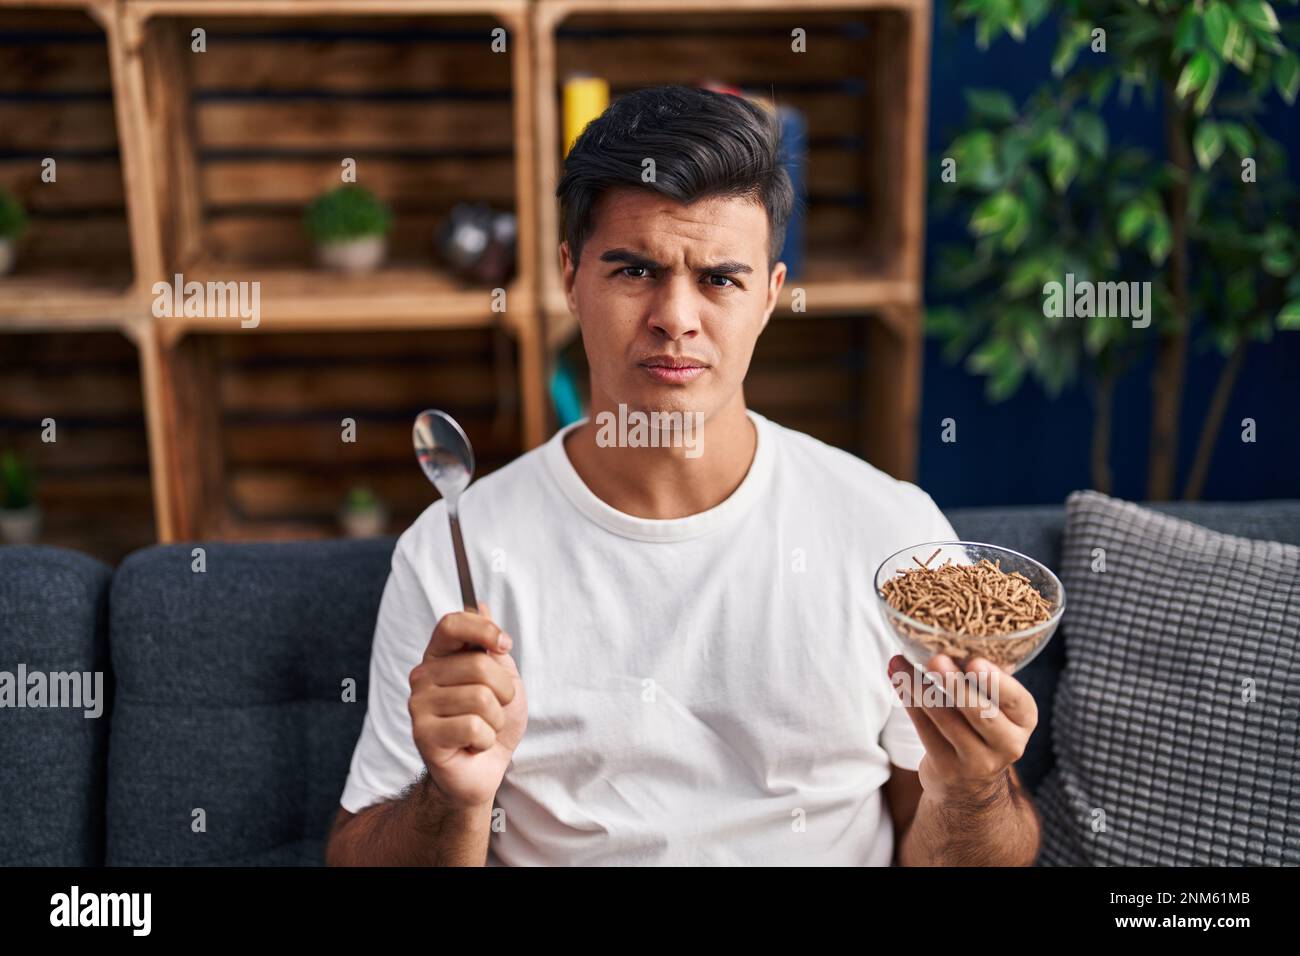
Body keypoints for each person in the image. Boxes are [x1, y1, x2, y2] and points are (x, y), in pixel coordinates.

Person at [325, 85, 1041, 866]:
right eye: (634, 270)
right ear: (571, 278)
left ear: (769, 298)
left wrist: (973, 790)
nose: (676, 316)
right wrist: (452, 798)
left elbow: (950, 852)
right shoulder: (454, 552)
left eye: (719, 279)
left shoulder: (893, 536)